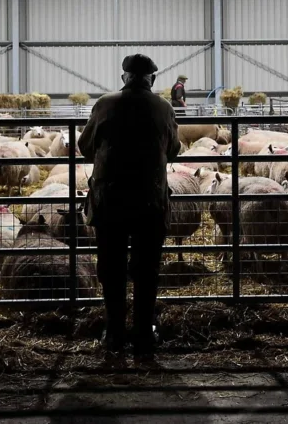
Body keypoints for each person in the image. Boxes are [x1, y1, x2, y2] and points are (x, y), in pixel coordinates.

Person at [78, 53, 182, 358]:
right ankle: (143, 333)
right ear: (152, 79)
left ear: (124, 77)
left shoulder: (105, 104)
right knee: (147, 268)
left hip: (110, 200)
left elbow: (85, 147)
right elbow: (174, 150)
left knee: (111, 267)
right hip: (149, 200)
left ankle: (114, 332)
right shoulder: (163, 107)